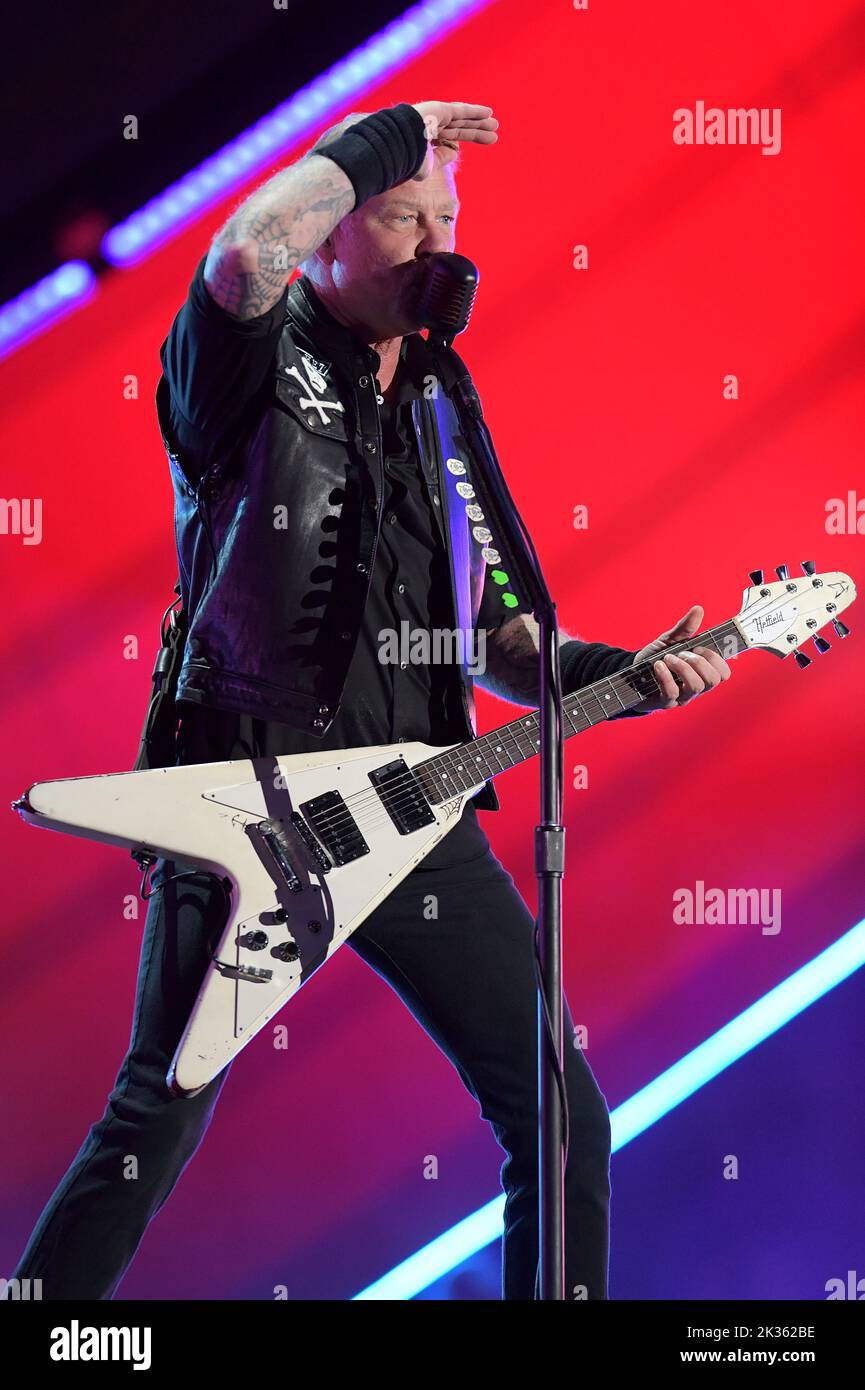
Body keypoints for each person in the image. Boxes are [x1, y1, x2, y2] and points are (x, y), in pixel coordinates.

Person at [5, 101, 731, 1302]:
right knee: (156, 1117)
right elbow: (242, 256)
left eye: (445, 217)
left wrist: (625, 677)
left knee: (560, 1117)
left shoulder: (444, 401)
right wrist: (384, 136)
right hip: (246, 786)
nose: (433, 244)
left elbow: (495, 636)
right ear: (333, 232)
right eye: (402, 217)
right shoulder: (246, 360)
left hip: (413, 805)